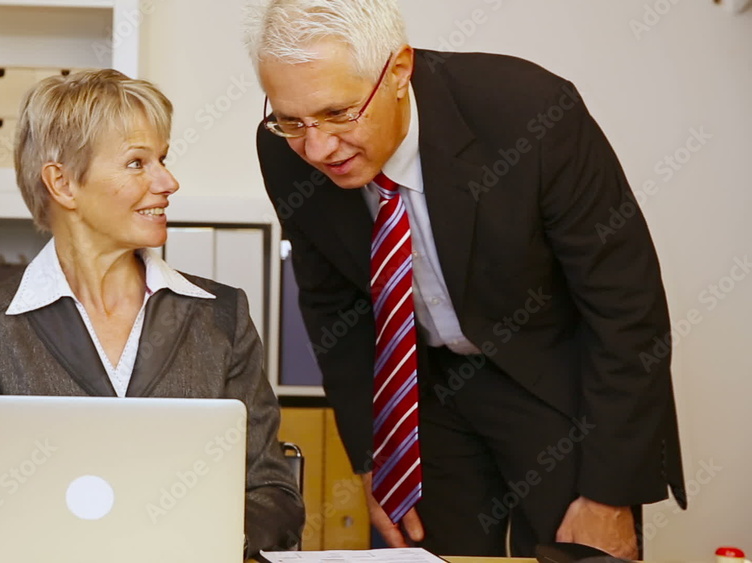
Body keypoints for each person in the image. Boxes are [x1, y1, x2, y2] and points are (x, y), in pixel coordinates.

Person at [246, 0, 685, 558]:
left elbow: (627, 309)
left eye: (338, 114)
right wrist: (376, 458)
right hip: (424, 397)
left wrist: (610, 494)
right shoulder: (283, 151)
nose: (317, 148)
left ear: (398, 71)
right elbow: (334, 307)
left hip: (554, 383)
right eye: (292, 120)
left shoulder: (531, 114)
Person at [0, 68, 304, 556]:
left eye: (162, 159)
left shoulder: (221, 317)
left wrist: (208, 536)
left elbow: (274, 494)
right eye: (137, 163)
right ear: (62, 184)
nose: (168, 181)